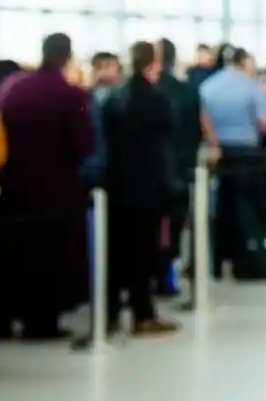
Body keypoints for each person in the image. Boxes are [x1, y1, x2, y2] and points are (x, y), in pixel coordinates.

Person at [0, 34, 93, 340]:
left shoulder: (13, 87)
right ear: (68, 56)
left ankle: (4, 318)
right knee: (51, 258)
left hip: (13, 188)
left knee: (13, 256)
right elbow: (84, 145)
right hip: (57, 190)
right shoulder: (71, 95)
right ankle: (42, 322)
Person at [102, 41, 179, 336]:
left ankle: (109, 315)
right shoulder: (157, 99)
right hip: (148, 187)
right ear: (153, 63)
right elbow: (168, 134)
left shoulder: (115, 97)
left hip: (117, 186)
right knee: (144, 253)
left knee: (117, 252)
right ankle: (143, 314)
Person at [199, 46, 266, 277]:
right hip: (248, 153)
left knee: (222, 207)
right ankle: (248, 254)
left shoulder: (208, 86)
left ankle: (219, 260)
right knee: (249, 206)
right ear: (243, 63)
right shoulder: (252, 87)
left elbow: (201, 118)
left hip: (219, 153)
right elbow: (264, 123)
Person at [155, 39, 202, 296]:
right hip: (181, 170)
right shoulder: (187, 91)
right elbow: (195, 131)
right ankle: (169, 275)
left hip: (153, 172)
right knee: (175, 227)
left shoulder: (149, 90)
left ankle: (159, 274)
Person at [82, 52, 122, 190]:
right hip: (91, 165)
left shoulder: (124, 99)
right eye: (100, 67)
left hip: (117, 165)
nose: (104, 72)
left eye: (109, 66)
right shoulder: (83, 99)